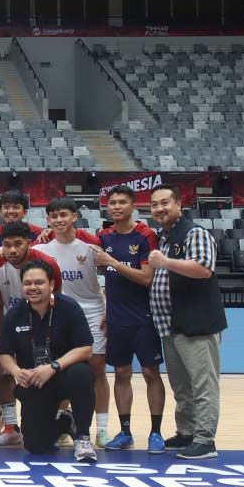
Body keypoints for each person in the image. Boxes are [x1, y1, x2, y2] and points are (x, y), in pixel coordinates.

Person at [148, 184, 226, 460]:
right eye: (154, 204)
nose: (159, 209)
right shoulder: (165, 238)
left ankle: (205, 441)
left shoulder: (194, 233)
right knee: (182, 386)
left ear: (179, 204)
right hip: (170, 325)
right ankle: (187, 432)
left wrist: (165, 262)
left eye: (165, 203)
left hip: (196, 324)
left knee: (203, 384)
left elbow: (204, 269)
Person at [0, 259, 98, 462]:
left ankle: (83, 437)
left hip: (64, 374)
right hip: (35, 381)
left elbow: (86, 349)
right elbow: (4, 353)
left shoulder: (68, 307)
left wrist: (53, 367)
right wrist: (17, 371)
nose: (32, 287)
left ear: (51, 284)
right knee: (35, 445)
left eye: (39, 282)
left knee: (82, 374)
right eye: (27, 283)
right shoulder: (15, 315)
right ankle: (66, 422)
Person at [92, 185, 166, 454]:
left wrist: (111, 261)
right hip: (116, 318)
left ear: (133, 205)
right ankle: (124, 432)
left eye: (122, 202)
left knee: (150, 373)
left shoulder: (145, 235)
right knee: (121, 373)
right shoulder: (104, 235)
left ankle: (156, 433)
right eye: (112, 202)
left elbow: (147, 278)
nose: (116, 207)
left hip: (144, 317)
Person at [34, 197, 111, 448]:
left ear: (74, 216)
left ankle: (102, 428)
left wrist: (107, 310)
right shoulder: (41, 251)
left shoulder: (91, 247)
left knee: (97, 368)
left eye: (63, 215)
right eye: (53, 216)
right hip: (61, 313)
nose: (59, 220)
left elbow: (108, 278)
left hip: (91, 310)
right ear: (47, 220)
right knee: (61, 369)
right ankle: (64, 424)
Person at [0, 220, 63, 446]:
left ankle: (56, 425)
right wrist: (2, 344)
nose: (12, 250)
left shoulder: (48, 264)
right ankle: (10, 427)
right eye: (7, 245)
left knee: (49, 372)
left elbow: (55, 301)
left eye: (17, 244)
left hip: (42, 321)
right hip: (10, 323)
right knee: (0, 369)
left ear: (29, 243)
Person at [0, 190, 44, 257]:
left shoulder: (40, 235)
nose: (11, 211)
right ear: (0, 212)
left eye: (16, 207)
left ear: (24, 212)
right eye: (6, 207)